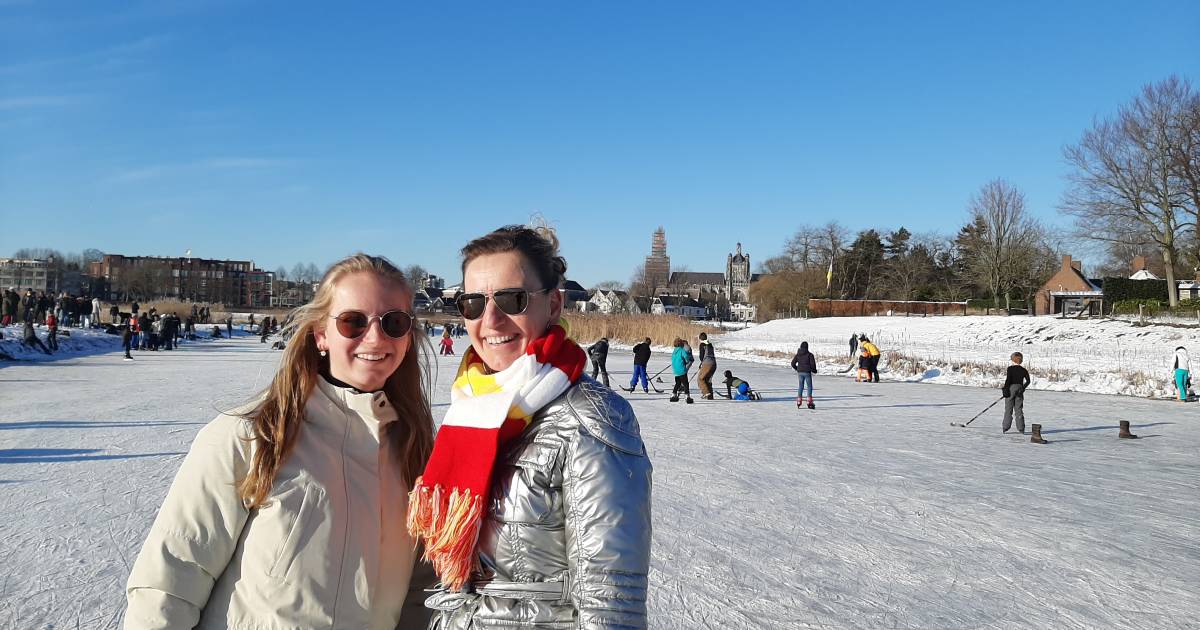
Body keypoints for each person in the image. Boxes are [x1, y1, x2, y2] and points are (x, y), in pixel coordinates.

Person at [124, 254, 436, 629]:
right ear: (321, 333)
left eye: (394, 323)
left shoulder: (414, 450)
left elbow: (421, 592)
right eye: (353, 322)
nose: (375, 337)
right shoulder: (251, 436)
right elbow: (170, 579)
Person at [410, 225, 652, 629]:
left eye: (512, 299)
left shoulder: (591, 420)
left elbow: (611, 597)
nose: (490, 319)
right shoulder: (471, 408)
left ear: (553, 304)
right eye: (472, 302)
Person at [1001, 352, 1031, 433]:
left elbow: (1008, 380)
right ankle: (1021, 428)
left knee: (1008, 409)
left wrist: (1005, 390)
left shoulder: (1010, 369)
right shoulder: (1024, 370)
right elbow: (1028, 381)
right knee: (1019, 409)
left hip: (1011, 388)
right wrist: (1022, 388)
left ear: (1013, 359)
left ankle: (1005, 427)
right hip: (1020, 389)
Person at [791, 341, 817, 409]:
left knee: (801, 386)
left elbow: (792, 363)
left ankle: (799, 400)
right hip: (807, 372)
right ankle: (809, 401)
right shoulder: (810, 355)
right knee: (809, 386)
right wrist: (814, 370)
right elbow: (813, 364)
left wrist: (797, 369)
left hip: (800, 373)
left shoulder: (798, 354)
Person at [668, 338, 693, 403]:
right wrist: (687, 361)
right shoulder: (682, 350)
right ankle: (687, 396)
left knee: (678, 383)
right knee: (686, 384)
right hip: (682, 370)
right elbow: (686, 358)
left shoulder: (674, 351)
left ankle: (673, 394)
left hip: (675, 370)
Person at [696, 332, 717, 399]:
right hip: (714, 363)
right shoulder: (710, 344)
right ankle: (710, 396)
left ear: (700, 338)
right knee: (707, 379)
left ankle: (706, 393)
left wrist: (702, 362)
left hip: (707, 363)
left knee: (700, 378)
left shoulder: (702, 344)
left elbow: (701, 356)